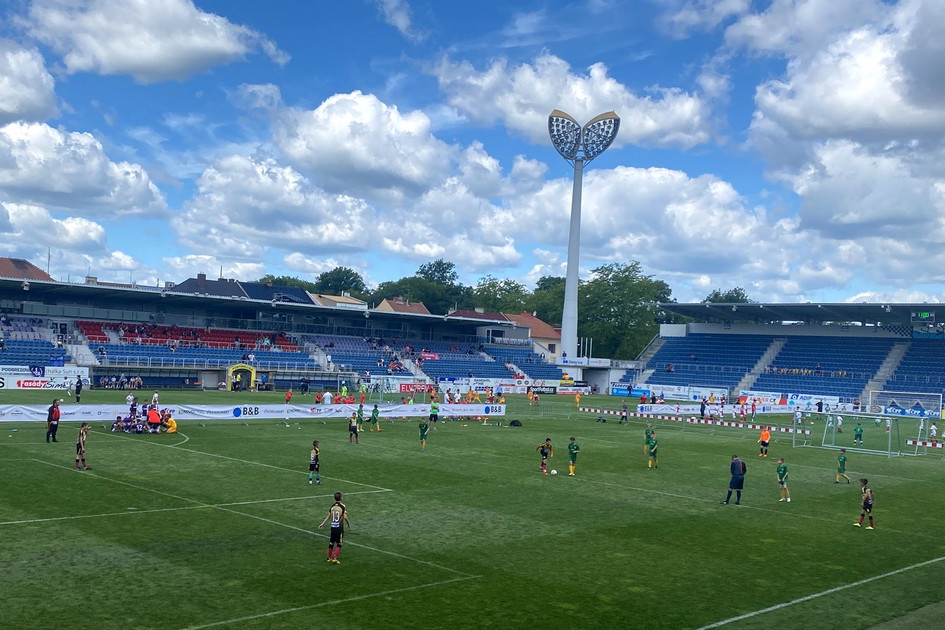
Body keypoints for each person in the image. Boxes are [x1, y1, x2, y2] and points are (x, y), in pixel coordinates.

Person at [318, 491, 350, 564]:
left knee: (331, 542)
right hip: (339, 527)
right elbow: (345, 516)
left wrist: (322, 523)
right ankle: (335, 558)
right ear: (341, 498)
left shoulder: (332, 506)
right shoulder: (342, 506)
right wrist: (348, 523)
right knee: (339, 543)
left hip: (333, 526)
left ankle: (329, 557)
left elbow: (328, 516)